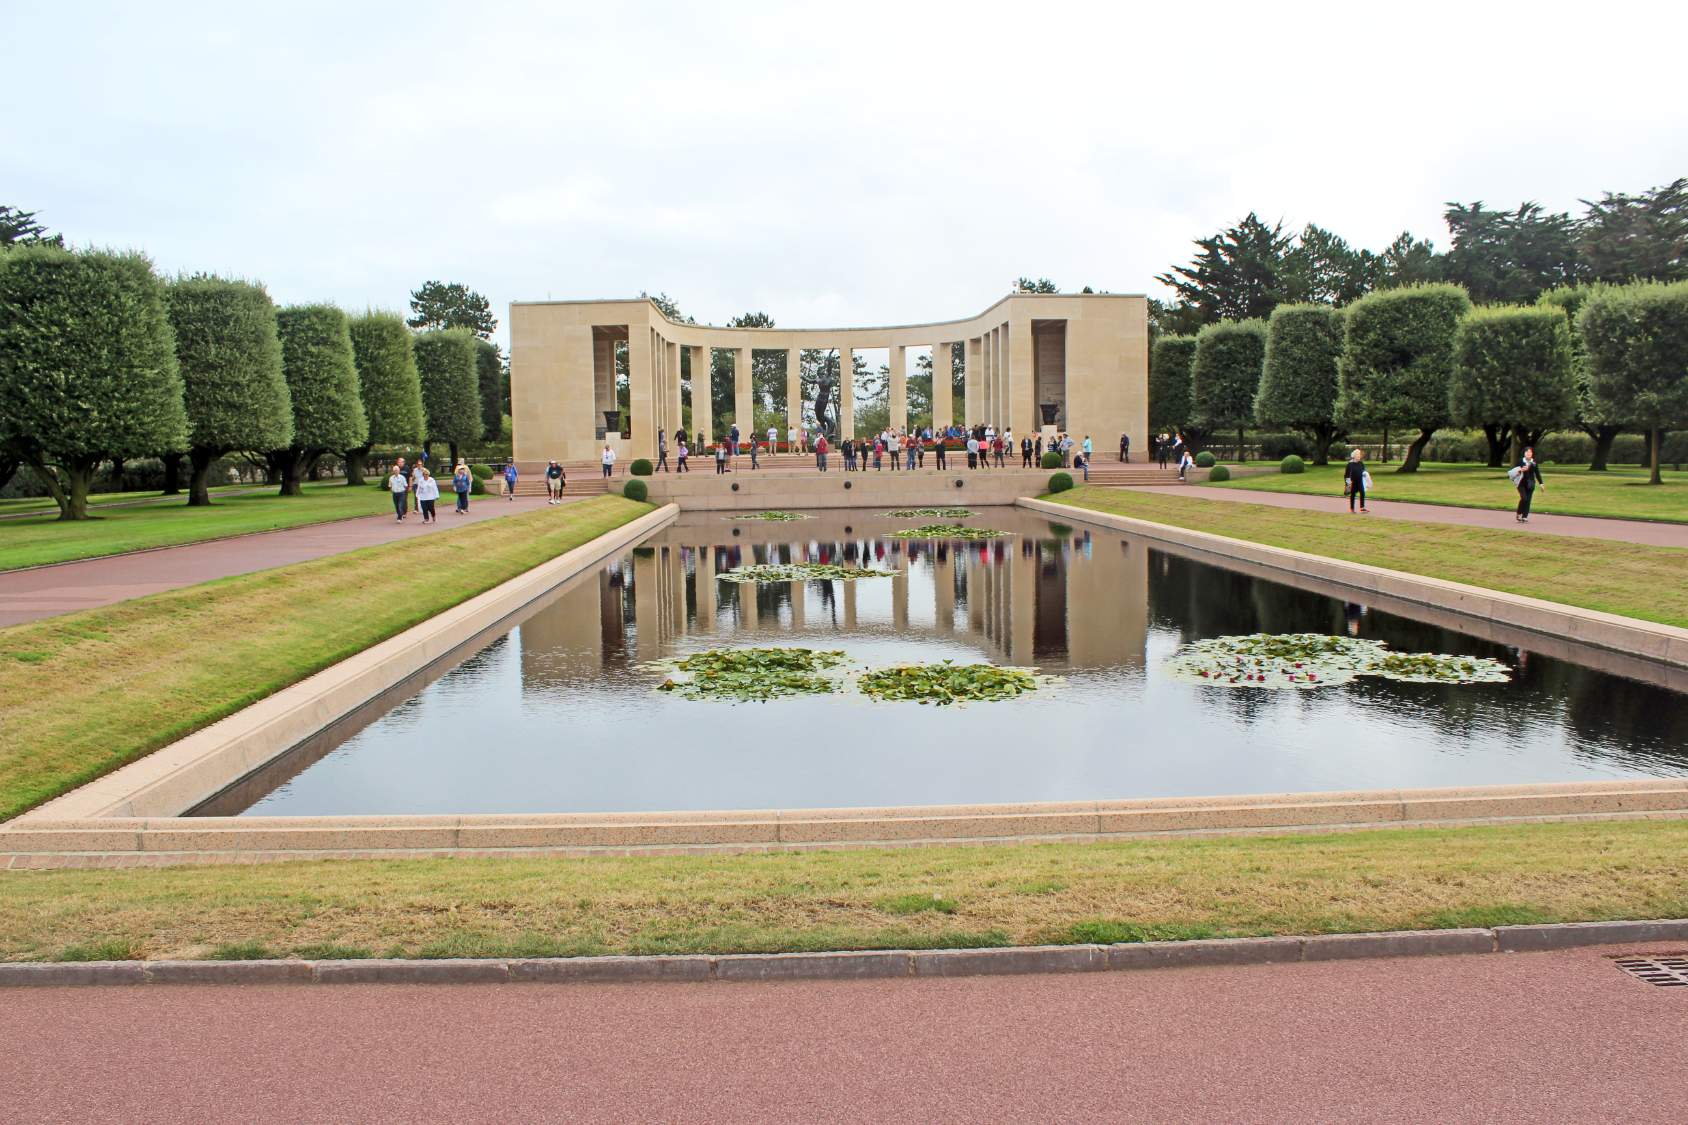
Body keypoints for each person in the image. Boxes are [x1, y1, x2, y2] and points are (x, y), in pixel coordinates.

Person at [1512, 446, 1544, 521]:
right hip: (1521, 483)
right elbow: (1514, 472)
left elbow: (1537, 473)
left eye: (1530, 452)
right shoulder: (1520, 461)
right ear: (1524, 453)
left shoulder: (1534, 462)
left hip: (1531, 484)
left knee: (1528, 500)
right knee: (1524, 498)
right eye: (1527, 452)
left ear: (1532, 453)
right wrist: (1521, 470)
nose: (1529, 453)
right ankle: (1519, 513)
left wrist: (1541, 484)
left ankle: (1524, 516)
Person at [1344, 447, 1369, 513]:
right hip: (1353, 482)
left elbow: (1364, 471)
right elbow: (1346, 475)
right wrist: (1348, 484)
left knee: (1362, 493)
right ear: (1354, 456)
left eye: (1359, 455)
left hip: (1360, 481)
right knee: (1353, 495)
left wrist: (1366, 476)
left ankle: (1362, 508)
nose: (1359, 456)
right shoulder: (1350, 464)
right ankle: (1352, 509)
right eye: (1358, 455)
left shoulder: (1361, 463)